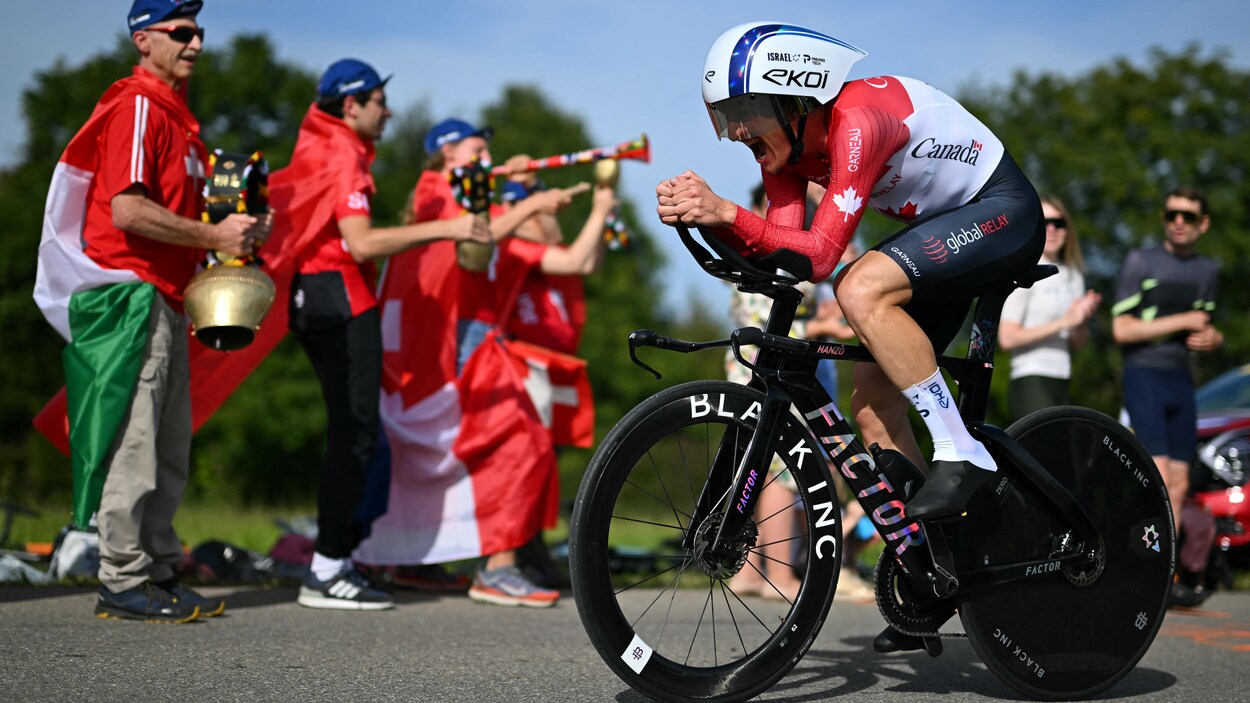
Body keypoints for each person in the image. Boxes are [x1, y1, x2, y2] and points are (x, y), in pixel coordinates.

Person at [656, 22, 1045, 651]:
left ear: (793, 96)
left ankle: (961, 450)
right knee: (871, 400)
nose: (733, 131)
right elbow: (781, 255)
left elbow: (820, 258)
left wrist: (725, 211)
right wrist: (711, 220)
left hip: (1002, 212)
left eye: (742, 112)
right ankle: (936, 572)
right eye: (722, 116)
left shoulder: (858, 120)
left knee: (861, 288)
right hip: (946, 231)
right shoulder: (784, 151)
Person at [33, 0, 268, 622]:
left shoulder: (180, 117)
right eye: (181, 32)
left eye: (199, 33)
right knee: (135, 443)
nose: (195, 43)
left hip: (165, 296)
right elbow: (127, 211)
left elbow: (187, 217)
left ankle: (159, 572)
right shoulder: (139, 104)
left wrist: (238, 227)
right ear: (144, 38)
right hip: (130, 293)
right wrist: (216, 238)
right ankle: (122, 578)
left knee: (168, 448)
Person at [353, 120, 596, 608]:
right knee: (512, 442)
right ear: (446, 153)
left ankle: (416, 559)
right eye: (477, 148)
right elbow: (468, 249)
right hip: (453, 341)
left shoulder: (462, 194)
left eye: (488, 148)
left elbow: (552, 253)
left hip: (468, 339)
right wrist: (527, 202)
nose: (488, 156)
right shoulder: (435, 192)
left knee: (466, 450)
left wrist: (531, 192)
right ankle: (496, 568)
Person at [278, 60, 492, 610]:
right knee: (356, 433)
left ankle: (338, 560)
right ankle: (327, 567)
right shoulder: (342, 152)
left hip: (319, 294)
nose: (388, 109)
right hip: (339, 295)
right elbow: (362, 244)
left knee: (355, 431)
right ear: (350, 105)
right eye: (377, 99)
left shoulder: (324, 145)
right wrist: (448, 227)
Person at [1111, 185, 1222, 604]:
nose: (1178, 222)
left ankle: (1162, 576)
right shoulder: (1141, 261)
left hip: (1182, 382)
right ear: (1164, 218)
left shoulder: (1208, 270)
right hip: (1145, 377)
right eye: (1172, 214)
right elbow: (1122, 330)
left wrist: (1213, 336)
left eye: (1188, 216)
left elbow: (1207, 328)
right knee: (1154, 479)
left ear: (1203, 224)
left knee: (1178, 484)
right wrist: (1184, 320)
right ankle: (1130, 567)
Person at [998, 195, 1100, 420]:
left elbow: (1078, 344)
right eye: (1045, 223)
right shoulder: (1025, 270)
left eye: (1059, 223)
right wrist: (1066, 322)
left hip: (1063, 377)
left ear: (1067, 229)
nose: (1052, 229)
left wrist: (1081, 320)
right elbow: (1007, 338)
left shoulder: (1074, 275)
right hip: (1030, 376)